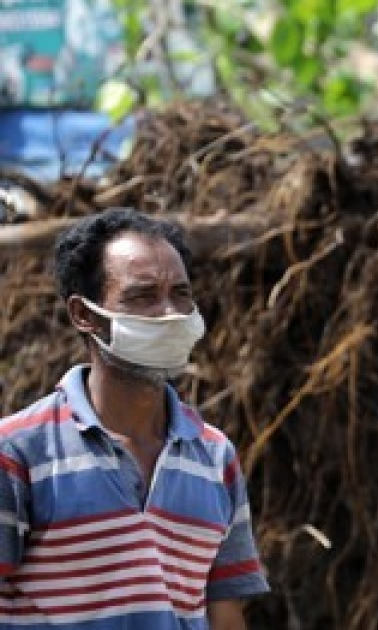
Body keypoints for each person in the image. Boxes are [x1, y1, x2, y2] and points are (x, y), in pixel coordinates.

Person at [0, 208, 269, 629]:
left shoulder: (215, 457)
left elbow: (224, 613)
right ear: (83, 314)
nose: (169, 313)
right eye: (143, 296)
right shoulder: (18, 451)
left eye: (180, 294)